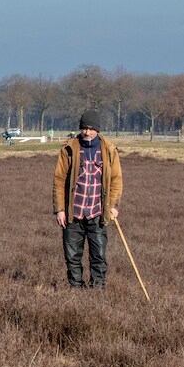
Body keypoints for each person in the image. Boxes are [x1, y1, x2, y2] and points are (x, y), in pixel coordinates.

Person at [52, 110, 123, 289]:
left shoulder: (109, 150)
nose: (88, 132)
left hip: (98, 213)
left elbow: (116, 180)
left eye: (92, 129)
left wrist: (113, 206)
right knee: (72, 256)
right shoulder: (69, 149)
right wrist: (59, 209)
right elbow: (59, 180)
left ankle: (97, 292)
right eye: (85, 128)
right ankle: (76, 290)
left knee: (98, 256)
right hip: (73, 213)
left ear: (98, 130)